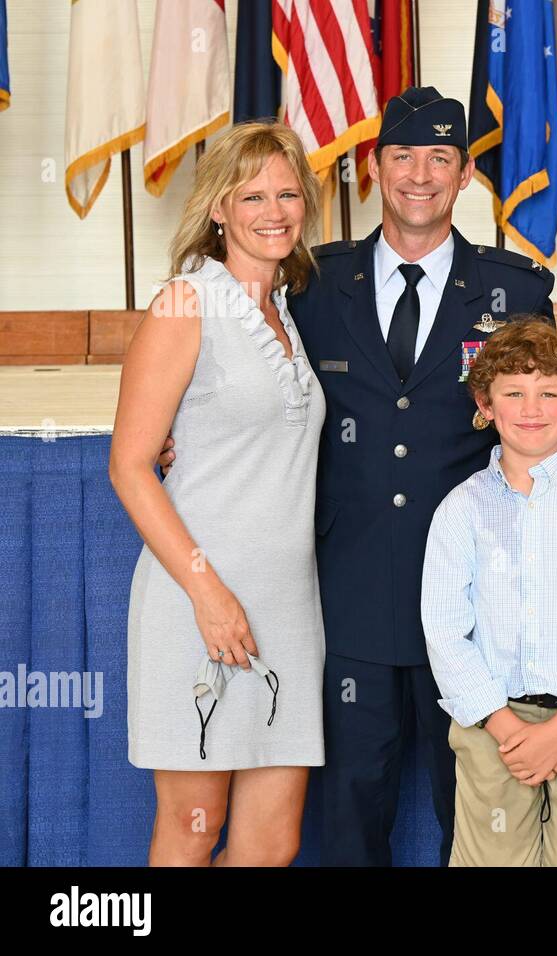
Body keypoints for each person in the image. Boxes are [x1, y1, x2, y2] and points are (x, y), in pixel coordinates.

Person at [158, 87, 557, 866]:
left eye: (440, 159)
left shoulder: (515, 290)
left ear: (464, 177)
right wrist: (169, 436)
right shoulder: (312, 282)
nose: (419, 174)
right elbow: (244, 382)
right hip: (344, 597)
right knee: (351, 818)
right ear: (373, 167)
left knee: (485, 816)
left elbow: (556, 433)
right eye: (402, 156)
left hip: (474, 604)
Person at [110, 122, 324, 866]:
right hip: (196, 601)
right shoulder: (184, 304)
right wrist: (209, 594)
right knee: (193, 828)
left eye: (289, 193)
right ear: (218, 210)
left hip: (289, 608)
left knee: (271, 845)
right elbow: (131, 466)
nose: (274, 209)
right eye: (253, 194)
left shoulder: (293, 311)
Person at [421, 320, 557, 866]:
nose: (531, 408)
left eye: (549, 393)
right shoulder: (460, 509)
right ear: (485, 404)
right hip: (493, 727)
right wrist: (506, 726)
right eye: (513, 393)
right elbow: (445, 630)